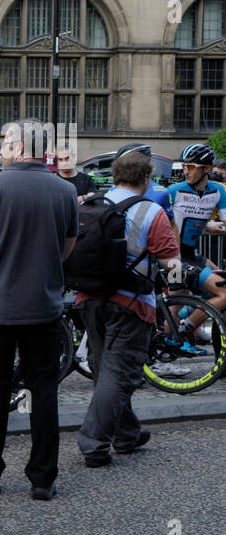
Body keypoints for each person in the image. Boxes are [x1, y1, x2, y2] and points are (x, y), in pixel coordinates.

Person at [0, 120, 79, 501]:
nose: (0, 147)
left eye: (6, 141)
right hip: (44, 307)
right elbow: (67, 244)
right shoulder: (66, 190)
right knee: (44, 390)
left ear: (20, 147)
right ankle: (43, 478)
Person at [75, 150, 181, 468]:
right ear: (146, 179)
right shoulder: (152, 211)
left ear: (115, 175)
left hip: (87, 298)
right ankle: (93, 444)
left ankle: (127, 433)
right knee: (120, 374)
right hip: (131, 303)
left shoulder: (92, 204)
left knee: (103, 366)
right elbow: (169, 260)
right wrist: (179, 283)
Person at [165, 143, 226, 340]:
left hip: (192, 254)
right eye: (184, 166)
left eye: (190, 167)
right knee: (176, 305)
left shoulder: (218, 191)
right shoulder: (174, 191)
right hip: (174, 257)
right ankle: (183, 330)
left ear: (207, 169)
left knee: (216, 286)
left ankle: (186, 329)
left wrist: (208, 227)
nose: (185, 171)